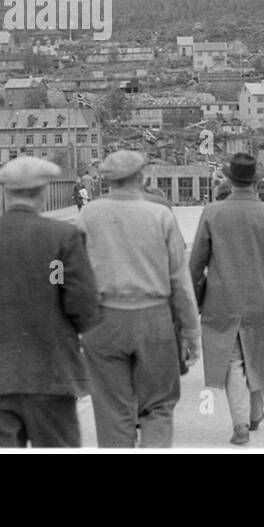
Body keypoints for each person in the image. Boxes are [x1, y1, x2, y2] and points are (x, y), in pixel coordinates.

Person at [0, 156, 101, 447]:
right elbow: (83, 306)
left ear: (5, 192)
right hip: (51, 374)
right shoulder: (62, 238)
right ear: (43, 192)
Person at [78, 150, 200, 447]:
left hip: (103, 319)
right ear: (141, 178)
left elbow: (67, 271)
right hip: (153, 318)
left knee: (112, 410)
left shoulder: (87, 215)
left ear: (105, 181)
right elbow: (179, 280)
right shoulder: (160, 215)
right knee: (158, 404)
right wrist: (191, 331)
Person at [189, 152, 264, 445]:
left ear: (231, 180)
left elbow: (196, 262)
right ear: (256, 181)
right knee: (259, 356)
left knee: (233, 362)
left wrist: (196, 296)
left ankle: (240, 424)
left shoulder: (212, 212)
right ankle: (256, 409)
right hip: (259, 299)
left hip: (221, 299)